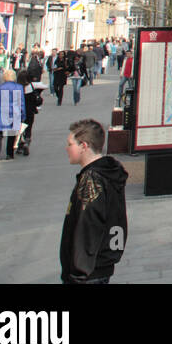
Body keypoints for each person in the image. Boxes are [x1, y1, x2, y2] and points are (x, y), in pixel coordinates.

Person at [61, 119, 129, 284]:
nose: (66, 148)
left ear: (84, 145)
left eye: (70, 144)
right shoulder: (108, 173)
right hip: (102, 266)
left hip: (88, 274)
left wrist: (78, 273)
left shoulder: (91, 180)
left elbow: (87, 229)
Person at [0, 69, 25, 162]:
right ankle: (9, 153)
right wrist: (23, 115)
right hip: (13, 112)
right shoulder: (19, 87)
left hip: (0, 111)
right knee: (11, 134)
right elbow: (21, 102)